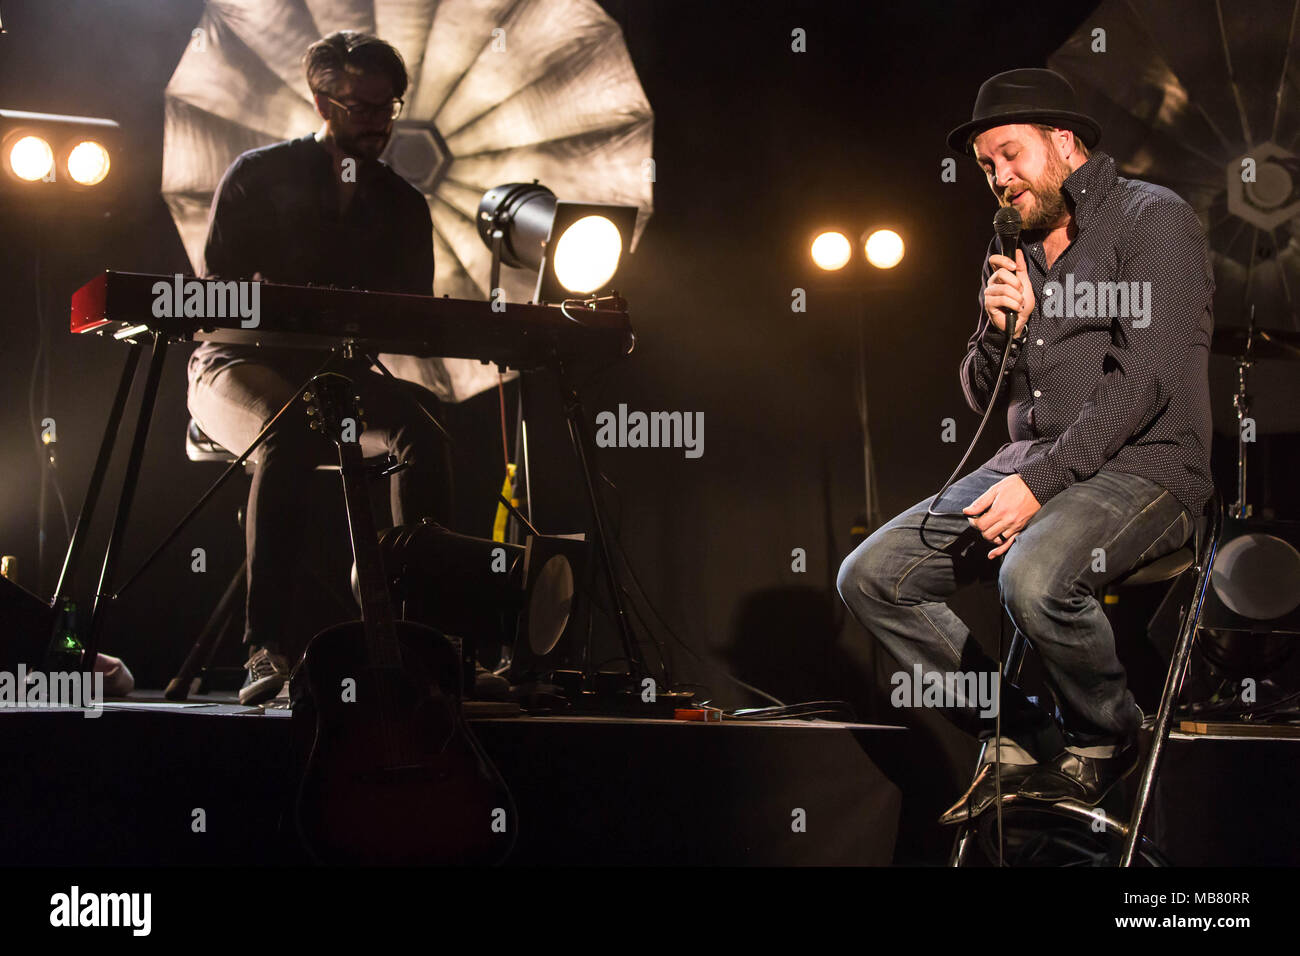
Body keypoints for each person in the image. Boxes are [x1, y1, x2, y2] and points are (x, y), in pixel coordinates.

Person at [837, 68, 1214, 823]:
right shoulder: (1014, 244)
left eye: (1011, 156)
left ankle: (1108, 739)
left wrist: (1043, 482)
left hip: (1146, 467)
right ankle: (1027, 734)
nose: (999, 178)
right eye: (986, 168)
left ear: (1064, 144)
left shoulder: (1151, 219)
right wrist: (1002, 331)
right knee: (872, 576)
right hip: (1027, 464)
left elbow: (1147, 377)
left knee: (1033, 578)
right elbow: (984, 395)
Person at [187, 31, 449, 705]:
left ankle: (418, 638)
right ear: (321, 100)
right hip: (234, 362)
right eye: (361, 106)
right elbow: (214, 296)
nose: (378, 122)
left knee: (429, 434)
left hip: (336, 376)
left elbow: (409, 316)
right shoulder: (257, 173)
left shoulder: (403, 206)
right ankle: (264, 649)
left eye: (388, 107)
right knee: (294, 426)